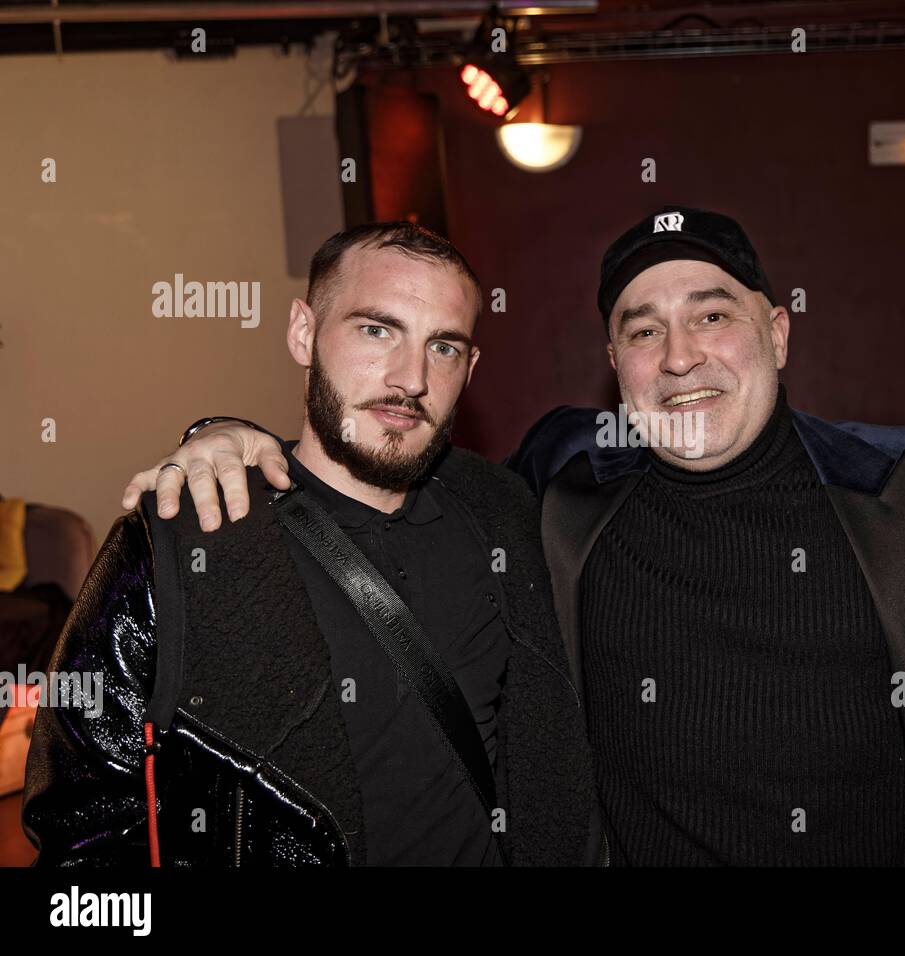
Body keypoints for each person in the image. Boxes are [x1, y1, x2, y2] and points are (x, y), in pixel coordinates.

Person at [119, 207, 905, 867]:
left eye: (713, 313)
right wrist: (223, 436)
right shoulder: (553, 489)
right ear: (614, 363)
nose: (680, 356)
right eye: (643, 328)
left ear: (776, 330)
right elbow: (371, 446)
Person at [23, 222, 597, 866]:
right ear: (304, 333)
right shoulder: (190, 533)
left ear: (471, 367)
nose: (410, 378)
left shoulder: (503, 516)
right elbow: (82, 817)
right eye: (376, 330)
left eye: (444, 346)